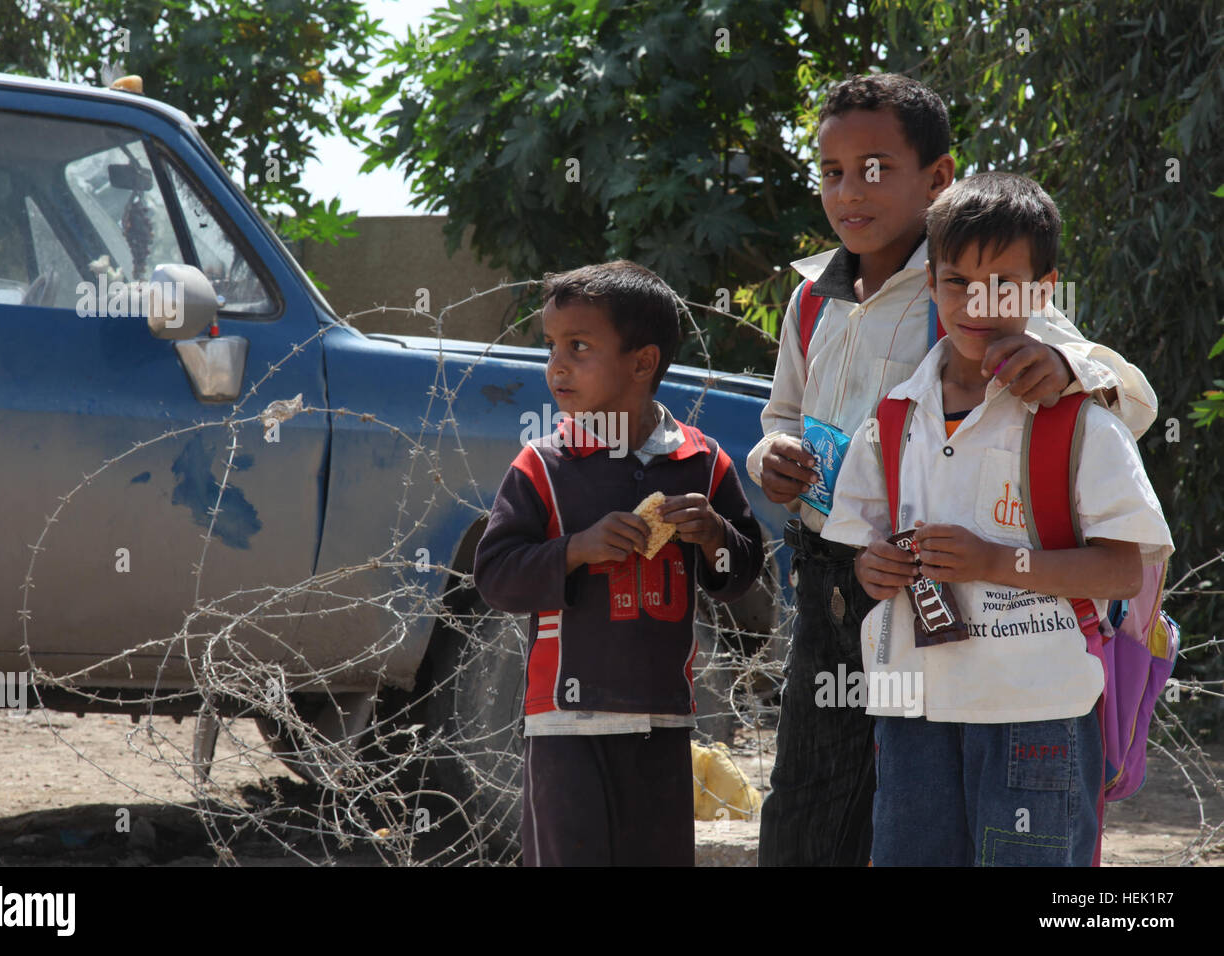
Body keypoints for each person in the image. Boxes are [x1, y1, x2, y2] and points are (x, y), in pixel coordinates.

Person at [748, 73, 1159, 867]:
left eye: (874, 169)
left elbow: (1113, 391)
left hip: (978, 603)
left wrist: (1059, 365)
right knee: (816, 793)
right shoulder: (811, 302)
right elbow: (780, 416)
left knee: (948, 802)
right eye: (832, 173)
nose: (849, 192)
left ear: (937, 179)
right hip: (844, 580)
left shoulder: (973, 279)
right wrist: (771, 455)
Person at [474, 259, 764, 866]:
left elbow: (739, 573)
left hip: (664, 723)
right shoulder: (543, 466)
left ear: (642, 362)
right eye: (551, 345)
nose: (556, 364)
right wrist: (576, 548)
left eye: (579, 346)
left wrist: (712, 532)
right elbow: (496, 575)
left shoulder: (704, 464)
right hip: (564, 726)